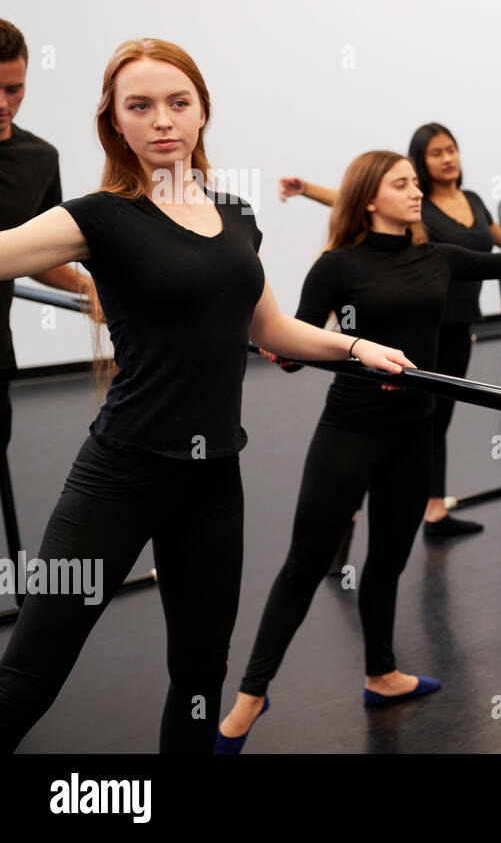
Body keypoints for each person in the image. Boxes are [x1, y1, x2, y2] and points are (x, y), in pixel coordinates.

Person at [0, 38, 413, 754]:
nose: (162, 119)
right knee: (29, 678)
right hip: (121, 474)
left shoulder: (236, 215)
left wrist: (351, 346)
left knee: (199, 677)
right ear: (115, 124)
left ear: (201, 113)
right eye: (140, 106)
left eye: (177, 103)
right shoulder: (94, 217)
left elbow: (274, 330)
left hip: (214, 480)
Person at [215, 150, 501, 752]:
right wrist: (287, 353)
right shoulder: (336, 266)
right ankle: (251, 695)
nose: (418, 193)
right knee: (304, 563)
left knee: (387, 562)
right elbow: (298, 341)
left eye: (417, 183)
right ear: (369, 199)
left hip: (415, 432)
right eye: (404, 184)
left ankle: (382, 675)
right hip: (349, 431)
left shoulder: (437, 257)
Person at [282, 123, 501, 541]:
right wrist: (306, 189)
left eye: (452, 149)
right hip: (415, 328)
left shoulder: (472, 202)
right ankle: (347, 514)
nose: (448, 158)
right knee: (379, 433)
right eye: (437, 153)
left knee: (432, 421)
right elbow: (353, 199)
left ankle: (435, 510)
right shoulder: (411, 208)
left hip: (457, 325)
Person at [0, 19, 96, 453]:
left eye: (14, 89)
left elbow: (40, 255)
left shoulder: (39, 159)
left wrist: (88, 287)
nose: (3, 103)